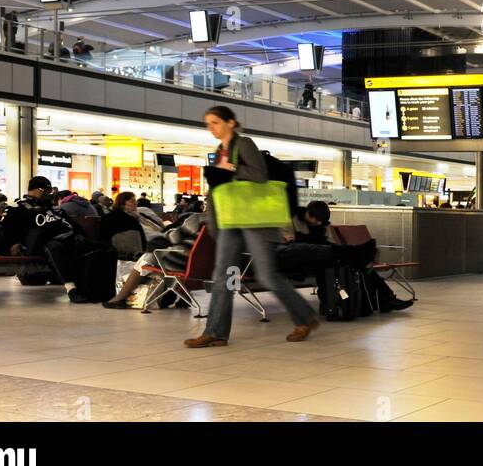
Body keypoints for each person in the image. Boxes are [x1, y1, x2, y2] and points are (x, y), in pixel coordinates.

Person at [185, 106, 321, 347]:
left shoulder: (244, 144)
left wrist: (233, 169)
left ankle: (305, 317)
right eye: (209, 124)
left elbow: (259, 175)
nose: (211, 128)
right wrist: (213, 221)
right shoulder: (219, 151)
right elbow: (218, 190)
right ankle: (215, 331)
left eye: (215, 122)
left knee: (267, 275)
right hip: (230, 221)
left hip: (254, 220)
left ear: (230, 123)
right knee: (224, 277)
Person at [279, 201, 413, 312]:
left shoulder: (323, 225)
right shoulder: (292, 220)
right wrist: (286, 239)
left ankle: (387, 297)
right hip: (301, 259)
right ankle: (357, 256)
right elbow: (287, 245)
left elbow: (331, 243)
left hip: (322, 257)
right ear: (307, 212)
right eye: (313, 218)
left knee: (355, 265)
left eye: (319, 220)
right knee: (344, 261)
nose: (315, 222)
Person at [106, 204, 208, 309]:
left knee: (146, 258)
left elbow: (174, 237)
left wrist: (166, 234)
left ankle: (120, 297)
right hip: (204, 266)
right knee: (159, 254)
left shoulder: (199, 218)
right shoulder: (222, 225)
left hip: (180, 261)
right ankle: (183, 297)